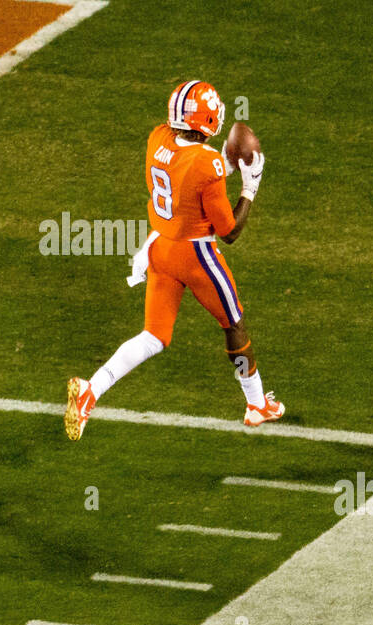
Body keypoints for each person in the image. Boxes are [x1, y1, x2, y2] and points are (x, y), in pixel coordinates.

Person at [66, 80, 284, 440]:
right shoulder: (208, 163)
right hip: (195, 254)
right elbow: (229, 231)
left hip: (161, 247)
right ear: (208, 119)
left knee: (153, 335)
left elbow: (190, 172)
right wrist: (250, 186)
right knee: (234, 325)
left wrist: (224, 165)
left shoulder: (158, 139)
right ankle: (257, 403)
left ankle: (92, 389)